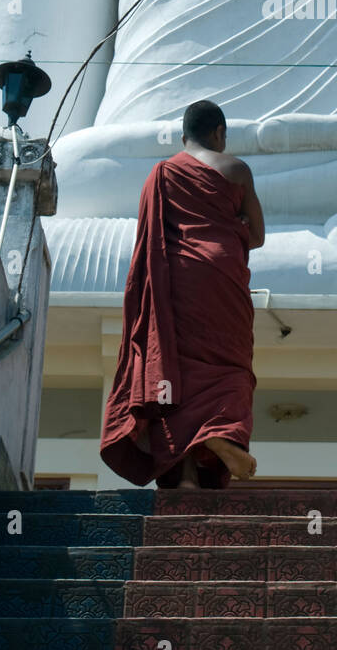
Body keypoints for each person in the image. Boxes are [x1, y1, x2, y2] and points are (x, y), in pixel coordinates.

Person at [100, 99, 265, 488]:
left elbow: (149, 239)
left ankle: (187, 476)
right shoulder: (235, 169)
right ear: (219, 134)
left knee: (172, 370)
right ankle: (218, 434)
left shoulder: (159, 174)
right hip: (221, 275)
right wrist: (234, 224)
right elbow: (256, 236)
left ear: (182, 136)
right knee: (229, 367)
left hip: (174, 280)